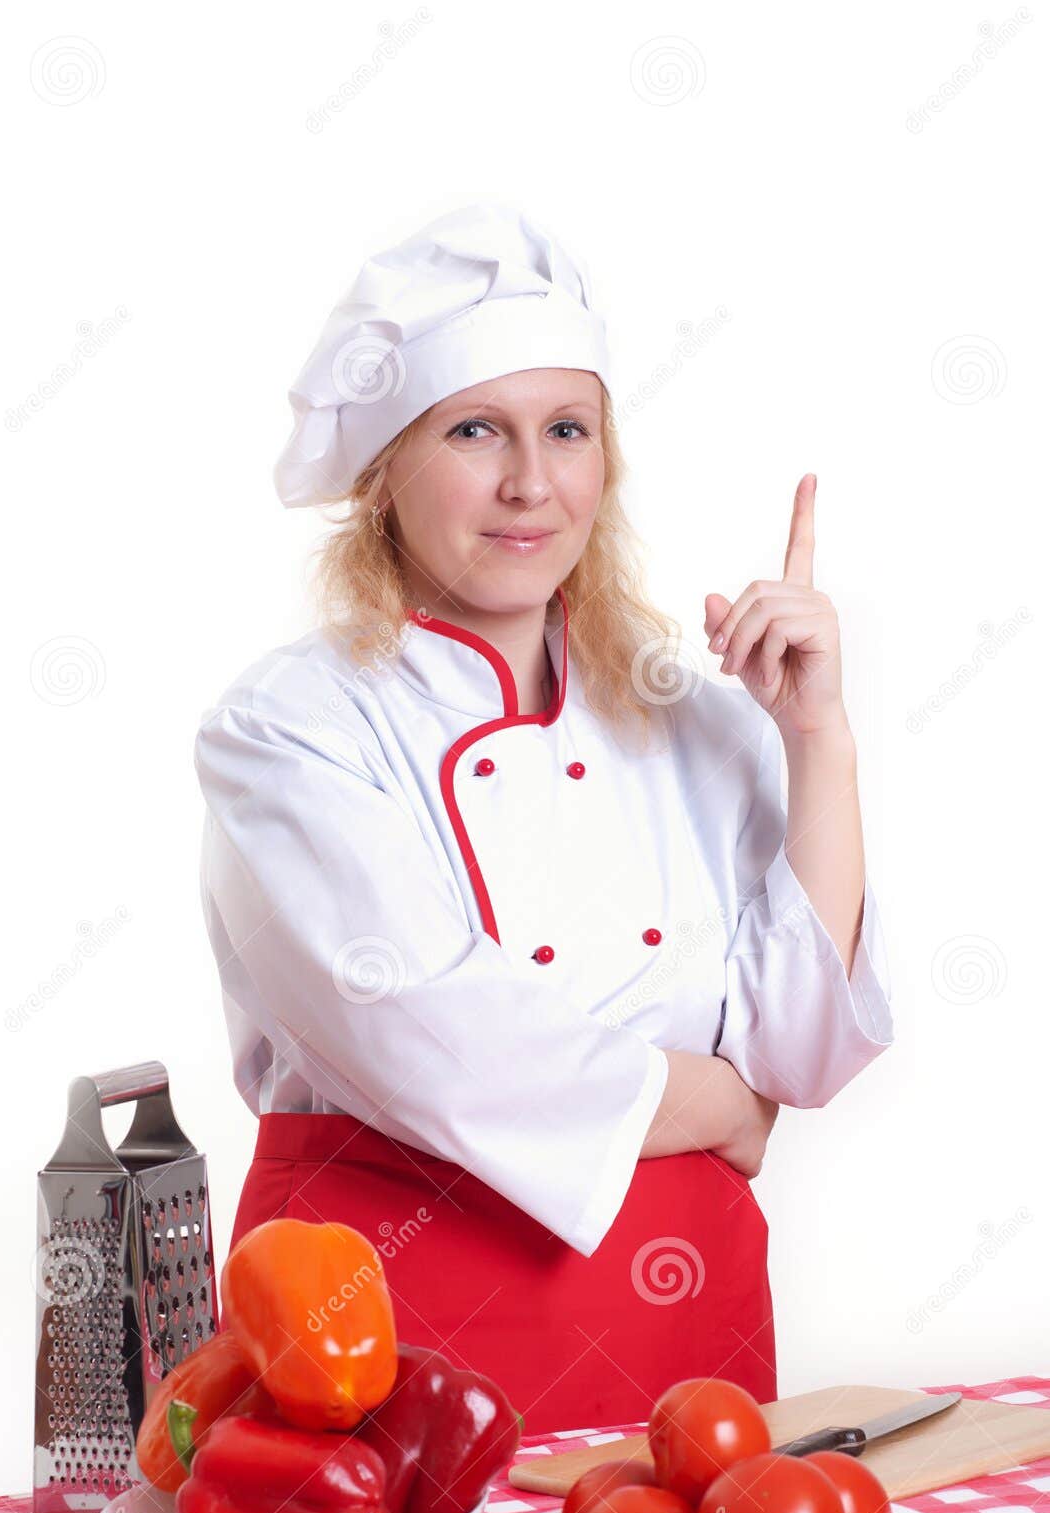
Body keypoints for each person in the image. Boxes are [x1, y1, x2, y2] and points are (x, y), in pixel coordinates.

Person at [194, 203, 894, 1434]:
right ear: (386, 470)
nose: (530, 482)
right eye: (476, 430)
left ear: (603, 465)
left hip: (687, 1335)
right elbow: (438, 1038)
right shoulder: (291, 730)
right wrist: (720, 1106)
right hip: (378, 1338)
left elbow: (800, 1047)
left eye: (566, 431)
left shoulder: (691, 714)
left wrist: (816, 738)